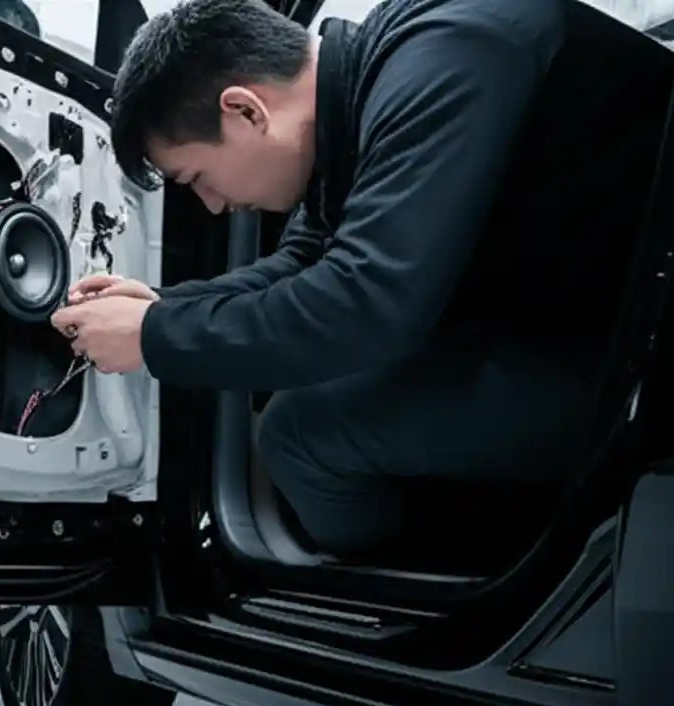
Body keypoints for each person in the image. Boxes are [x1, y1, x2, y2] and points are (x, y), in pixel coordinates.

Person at [49, 0, 669, 559]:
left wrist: (155, 336)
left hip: (636, 376)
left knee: (302, 433)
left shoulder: (446, 54)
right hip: (595, 331)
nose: (211, 205)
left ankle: (416, 621)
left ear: (244, 110)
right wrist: (160, 305)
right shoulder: (363, 103)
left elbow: (366, 303)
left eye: (196, 178)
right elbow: (303, 264)